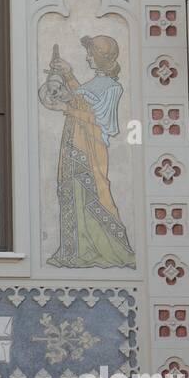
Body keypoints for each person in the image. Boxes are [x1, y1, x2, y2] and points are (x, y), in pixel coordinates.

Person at [38, 36, 136, 268]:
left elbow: (102, 123)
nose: (88, 57)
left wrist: (67, 108)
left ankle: (110, 250)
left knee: (95, 195)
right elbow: (80, 100)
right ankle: (74, 251)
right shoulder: (94, 82)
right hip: (73, 143)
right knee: (71, 194)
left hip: (90, 149)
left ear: (103, 58)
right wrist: (65, 77)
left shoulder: (113, 88)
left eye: (92, 53)